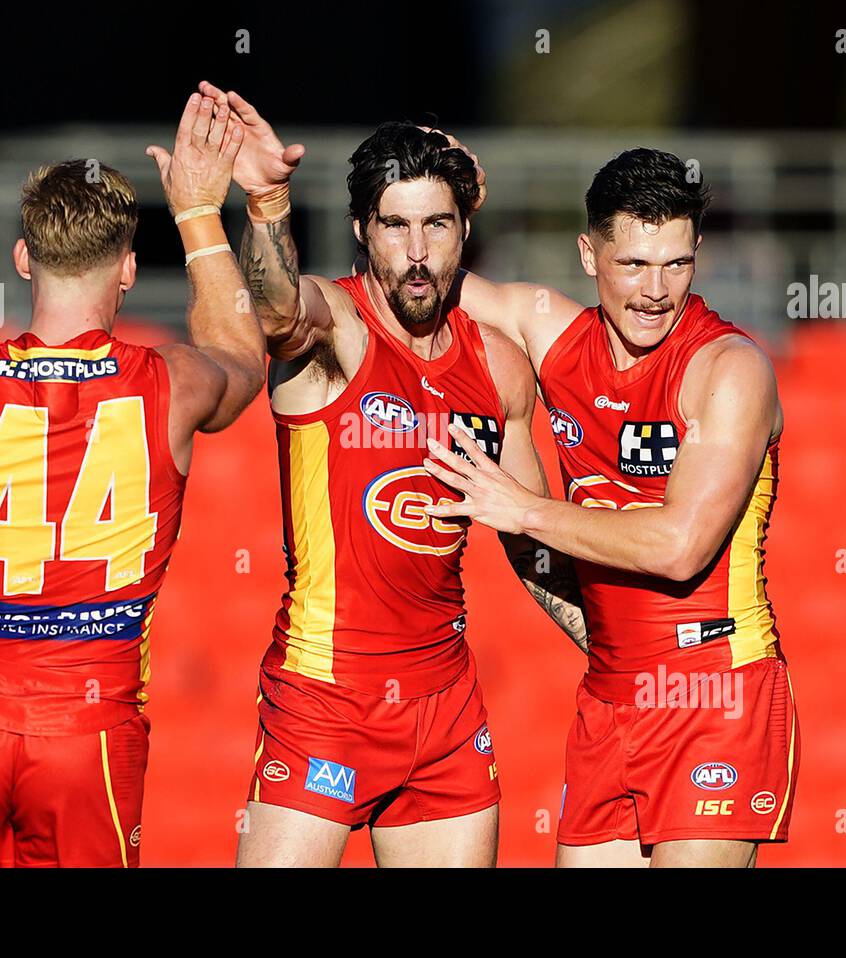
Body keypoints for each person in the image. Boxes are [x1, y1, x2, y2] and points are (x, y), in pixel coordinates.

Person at [0, 94, 264, 867]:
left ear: (21, 258)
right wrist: (200, 214)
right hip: (91, 737)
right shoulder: (171, 386)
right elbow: (245, 359)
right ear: (131, 269)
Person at [198, 82, 587, 867]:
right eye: (396, 227)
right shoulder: (336, 330)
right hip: (325, 702)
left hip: (444, 710)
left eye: (436, 226)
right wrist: (268, 201)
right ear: (361, 232)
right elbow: (275, 313)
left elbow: (530, 537)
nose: (416, 252)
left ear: (464, 229)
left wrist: (613, 648)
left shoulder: (499, 368)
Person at [426, 146, 799, 868]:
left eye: (677, 264)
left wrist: (524, 510)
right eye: (633, 264)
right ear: (589, 254)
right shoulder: (552, 331)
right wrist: (444, 205)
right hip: (608, 699)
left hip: (714, 695)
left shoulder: (729, 369)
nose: (657, 290)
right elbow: (421, 281)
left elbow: (678, 546)